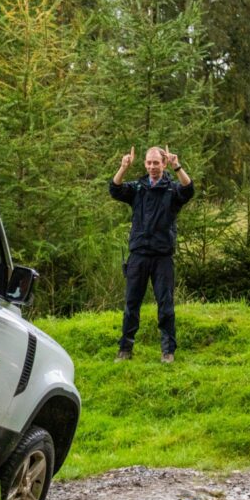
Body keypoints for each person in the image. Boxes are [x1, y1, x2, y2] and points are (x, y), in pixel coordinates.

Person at [110, 146, 194, 363]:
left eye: (156, 163)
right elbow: (115, 189)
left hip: (162, 256)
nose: (152, 166)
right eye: (149, 162)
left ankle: (168, 351)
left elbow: (188, 190)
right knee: (131, 305)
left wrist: (178, 166)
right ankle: (125, 349)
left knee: (165, 305)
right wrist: (123, 167)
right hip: (138, 255)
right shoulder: (138, 188)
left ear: (163, 164)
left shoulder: (172, 189)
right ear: (145, 164)